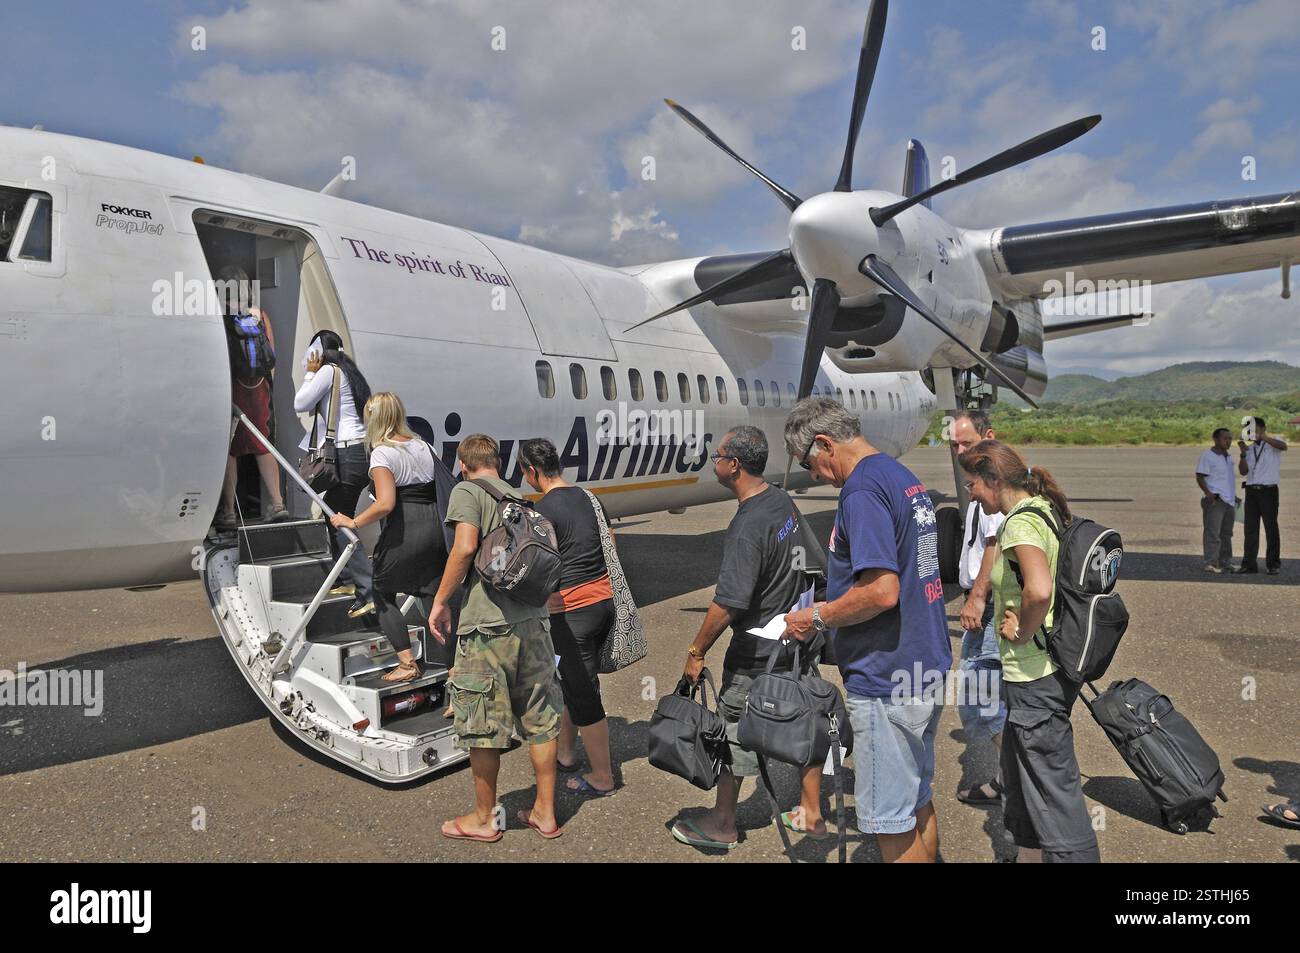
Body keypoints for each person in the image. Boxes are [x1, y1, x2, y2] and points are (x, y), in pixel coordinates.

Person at [782, 398, 950, 863]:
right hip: (923, 662)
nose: (813, 474)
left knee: (890, 822)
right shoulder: (901, 476)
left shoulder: (860, 491)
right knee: (915, 799)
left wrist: (817, 615)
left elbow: (881, 592)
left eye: (808, 462)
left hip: (885, 676)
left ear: (824, 443)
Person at [670, 425, 824, 852]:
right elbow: (814, 563)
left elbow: (728, 602)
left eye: (717, 454)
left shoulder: (747, 525)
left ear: (733, 465)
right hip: (796, 641)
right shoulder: (781, 501)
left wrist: (696, 650)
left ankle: (722, 823)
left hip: (757, 653)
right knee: (804, 719)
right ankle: (811, 810)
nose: (713, 459)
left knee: (733, 730)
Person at [959, 440, 1100, 863]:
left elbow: (1038, 590)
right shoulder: (1040, 509)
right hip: (1035, 675)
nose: (969, 492)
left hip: (1035, 677)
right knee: (1021, 779)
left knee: (1054, 794)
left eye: (972, 484)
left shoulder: (1020, 523)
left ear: (994, 480)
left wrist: (1021, 629)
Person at [428, 434, 564, 843]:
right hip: (535, 623)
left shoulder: (467, 490)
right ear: (499, 464)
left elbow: (465, 547)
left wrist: (440, 602)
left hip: (488, 627)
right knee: (542, 718)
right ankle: (545, 812)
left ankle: (484, 818)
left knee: (483, 722)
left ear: (463, 465)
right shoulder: (518, 497)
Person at [519, 437, 618, 797]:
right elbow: (610, 543)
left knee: (583, 692)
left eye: (524, 472)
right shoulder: (589, 498)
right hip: (604, 603)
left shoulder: (540, 510)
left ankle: (603, 777)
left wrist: (544, 598)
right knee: (568, 682)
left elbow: (535, 565)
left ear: (533, 471)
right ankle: (564, 752)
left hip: (571, 613)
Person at [330, 393, 448, 683]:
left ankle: (407, 663)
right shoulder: (424, 446)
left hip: (405, 530)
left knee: (381, 593)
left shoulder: (382, 452)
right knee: (438, 599)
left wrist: (353, 521)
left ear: (373, 418)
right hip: (434, 528)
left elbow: (385, 503)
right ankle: (456, 669)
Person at [295, 330, 376, 618]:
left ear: (317, 352)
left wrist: (309, 374)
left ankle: (367, 591)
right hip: (356, 453)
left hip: (345, 455)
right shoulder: (349, 371)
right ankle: (344, 580)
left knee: (341, 520)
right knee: (335, 517)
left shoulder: (328, 371)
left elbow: (300, 403)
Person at [949, 411, 1007, 805]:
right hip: (981, 606)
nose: (959, 450)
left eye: (966, 443)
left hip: (986, 609)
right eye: (953, 444)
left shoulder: (996, 483)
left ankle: (1020, 780)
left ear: (989, 436)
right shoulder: (978, 481)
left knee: (982, 696)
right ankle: (1010, 778)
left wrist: (977, 597)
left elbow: (995, 544)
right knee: (986, 697)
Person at [214, 266, 290, 529]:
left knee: (230, 449)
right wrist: (267, 385)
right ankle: (278, 503)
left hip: (232, 385)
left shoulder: (219, 314)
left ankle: (228, 512)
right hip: (258, 387)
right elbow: (272, 357)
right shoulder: (260, 315)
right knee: (262, 443)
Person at [1236, 416, 1286, 575]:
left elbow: (1283, 446)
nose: (1251, 433)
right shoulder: (1250, 449)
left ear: (1262, 429)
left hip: (1268, 491)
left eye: (1254, 429)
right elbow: (1243, 471)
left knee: (1271, 528)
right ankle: (1249, 564)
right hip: (1251, 491)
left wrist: (1263, 437)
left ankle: (1273, 564)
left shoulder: (1273, 442)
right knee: (1250, 529)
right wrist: (1243, 454)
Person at [1195, 428, 1237, 573]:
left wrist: (1233, 495)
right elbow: (1200, 476)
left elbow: (1225, 479)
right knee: (1212, 532)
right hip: (1215, 500)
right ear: (1216, 439)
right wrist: (1208, 493)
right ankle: (1210, 562)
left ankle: (1225, 561)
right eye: (1225, 438)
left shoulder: (1228, 457)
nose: (1228, 441)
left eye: (1230, 438)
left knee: (1226, 534)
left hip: (1229, 500)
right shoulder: (1208, 456)